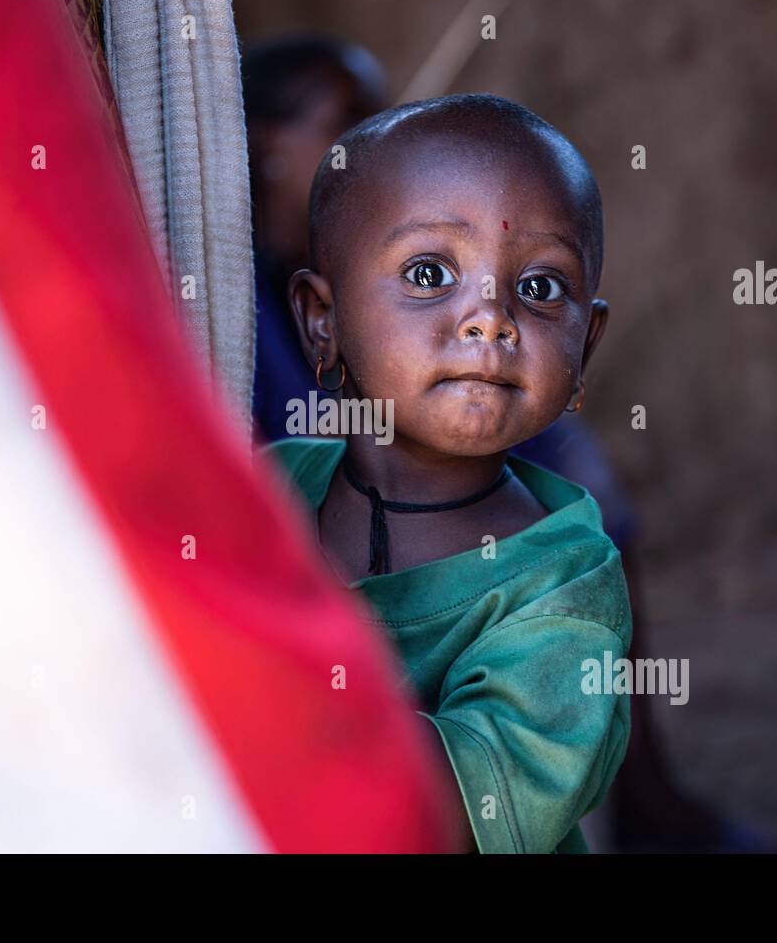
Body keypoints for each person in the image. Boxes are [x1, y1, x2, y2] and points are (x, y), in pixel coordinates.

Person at [262, 93, 627, 853]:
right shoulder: (265, 495)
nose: (489, 318)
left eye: (538, 288)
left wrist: (259, 696)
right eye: (430, 272)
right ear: (321, 319)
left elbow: (462, 809)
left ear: (584, 346)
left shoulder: (564, 585)